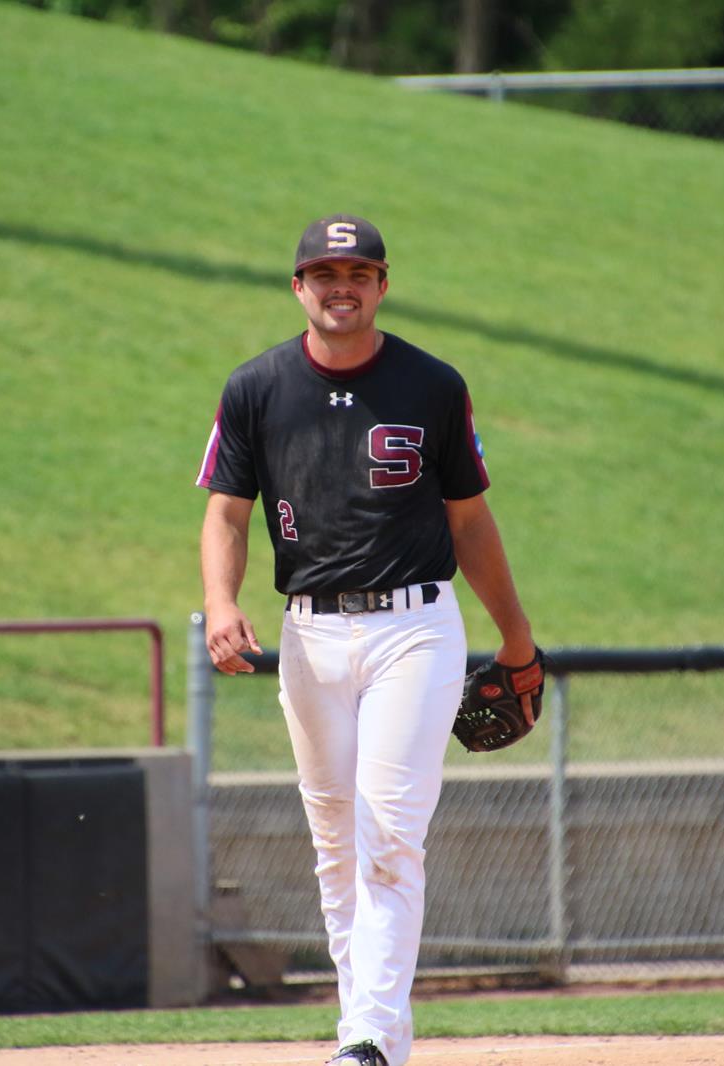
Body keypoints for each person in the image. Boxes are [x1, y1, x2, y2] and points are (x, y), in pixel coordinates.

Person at [196, 214, 540, 1066]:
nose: (339, 285)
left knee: (389, 830)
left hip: (415, 630)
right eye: (323, 271)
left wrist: (517, 637)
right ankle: (372, 1028)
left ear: (383, 284)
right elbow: (227, 513)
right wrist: (220, 600)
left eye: (357, 270)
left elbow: (470, 519)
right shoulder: (256, 387)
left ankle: (368, 1036)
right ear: (298, 287)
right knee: (337, 839)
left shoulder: (432, 384)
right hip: (309, 633)